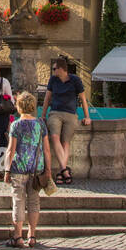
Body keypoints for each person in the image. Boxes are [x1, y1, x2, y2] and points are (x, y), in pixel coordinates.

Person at [2, 91, 52, 249]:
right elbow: (47, 150)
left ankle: (17, 237)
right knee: (34, 201)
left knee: (18, 201)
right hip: (36, 169)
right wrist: (48, 170)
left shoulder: (16, 125)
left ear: (19, 107)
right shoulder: (40, 124)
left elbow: (11, 150)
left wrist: (6, 170)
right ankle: (32, 236)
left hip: (18, 168)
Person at [43, 56, 90, 185]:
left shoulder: (75, 80)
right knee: (54, 137)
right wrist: (43, 115)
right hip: (55, 113)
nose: (53, 71)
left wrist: (87, 116)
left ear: (61, 69)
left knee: (66, 142)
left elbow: (83, 99)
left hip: (71, 114)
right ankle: (65, 170)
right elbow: (47, 98)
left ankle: (61, 171)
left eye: (54, 69)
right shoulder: (53, 80)